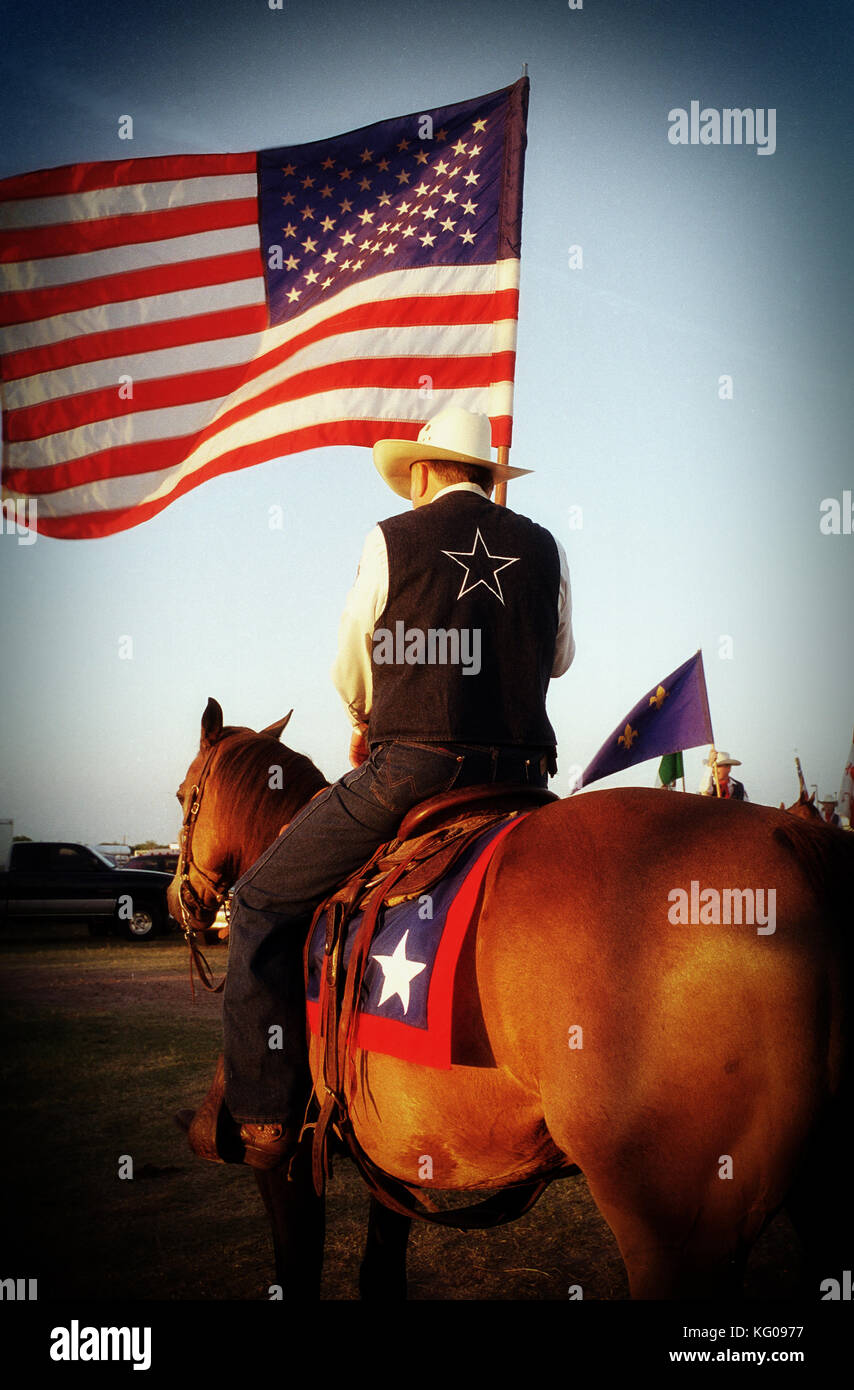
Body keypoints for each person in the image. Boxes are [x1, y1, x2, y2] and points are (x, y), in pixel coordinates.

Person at [184, 405, 575, 1169]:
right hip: (526, 779)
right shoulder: (546, 545)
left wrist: (365, 718)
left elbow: (352, 658)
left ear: (423, 470)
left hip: (417, 769)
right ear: (485, 474)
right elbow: (559, 660)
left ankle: (264, 1116)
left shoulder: (390, 538)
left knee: (261, 900)